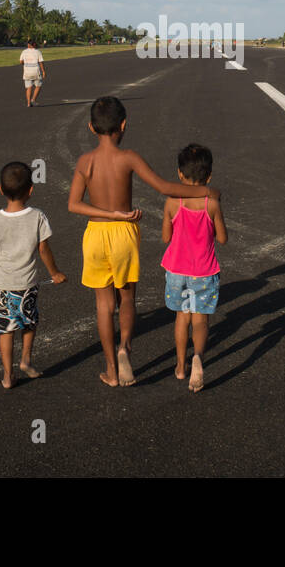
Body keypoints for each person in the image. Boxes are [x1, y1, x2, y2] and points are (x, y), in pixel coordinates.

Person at [68, 96, 220, 388]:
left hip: (96, 234)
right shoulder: (129, 158)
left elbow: (74, 204)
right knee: (126, 297)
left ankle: (112, 369)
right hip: (124, 232)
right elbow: (164, 187)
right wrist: (205, 191)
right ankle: (125, 345)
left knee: (103, 304)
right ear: (123, 125)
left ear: (90, 127)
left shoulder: (85, 162)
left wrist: (106, 214)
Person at [0, 161, 66, 389]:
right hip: (27, 284)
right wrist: (55, 272)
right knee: (29, 322)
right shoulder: (37, 216)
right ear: (31, 190)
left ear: (1, 189)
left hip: (1, 285)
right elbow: (43, 249)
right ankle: (25, 360)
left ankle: (7, 375)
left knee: (6, 329)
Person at [160, 144, 227, 393]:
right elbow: (222, 238)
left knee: (182, 317)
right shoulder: (211, 204)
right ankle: (198, 356)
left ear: (180, 174)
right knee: (200, 320)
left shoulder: (172, 202)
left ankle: (179, 366)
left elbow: (166, 237)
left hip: (177, 270)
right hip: (204, 271)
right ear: (208, 177)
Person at [19, 39, 45, 107]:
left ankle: (28, 103)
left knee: (29, 87)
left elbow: (21, 61)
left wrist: (26, 63)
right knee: (38, 86)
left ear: (28, 44)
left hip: (27, 72)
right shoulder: (38, 52)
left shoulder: (24, 52)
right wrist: (43, 71)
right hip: (36, 71)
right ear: (34, 44)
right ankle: (33, 99)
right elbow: (41, 62)